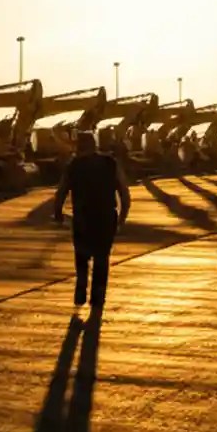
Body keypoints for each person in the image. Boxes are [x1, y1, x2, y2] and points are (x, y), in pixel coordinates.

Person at [53, 131, 131, 310]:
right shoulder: (111, 163)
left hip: (82, 217)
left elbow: (62, 191)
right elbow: (124, 192)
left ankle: (80, 293)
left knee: (81, 257)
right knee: (102, 259)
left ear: (79, 146)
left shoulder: (73, 165)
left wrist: (57, 212)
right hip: (105, 217)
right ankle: (98, 298)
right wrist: (123, 215)